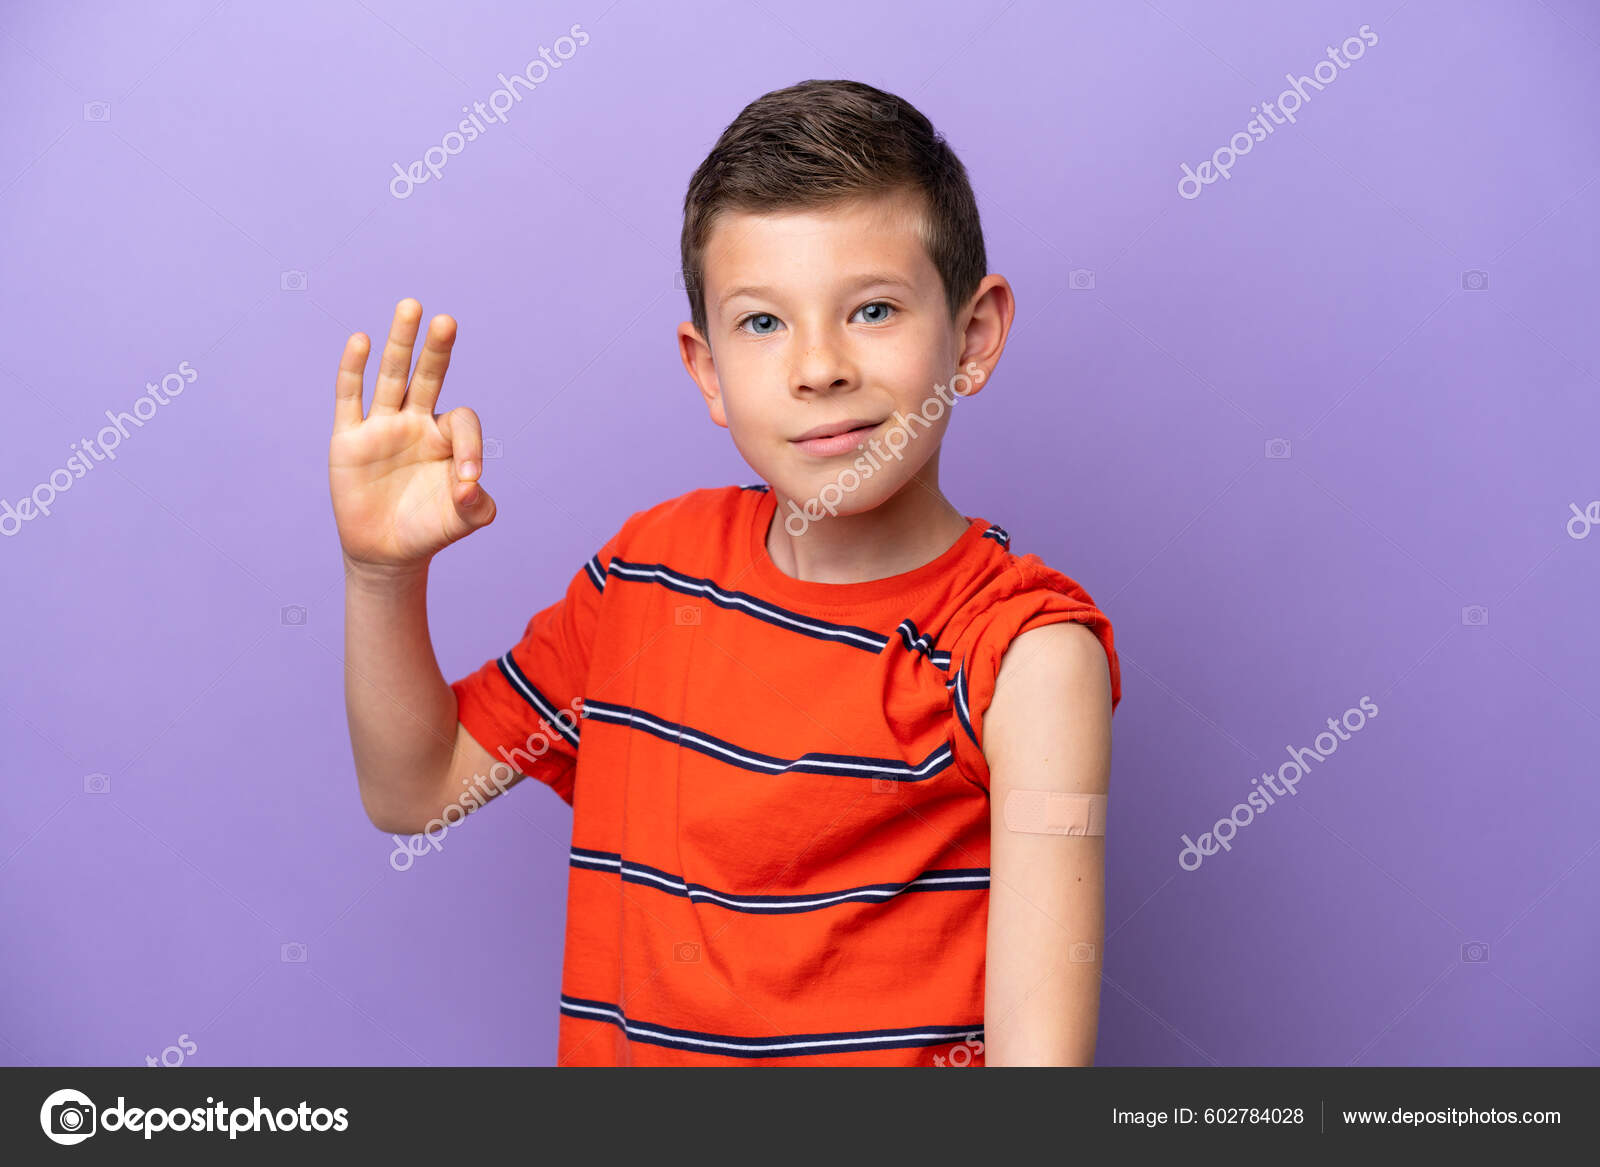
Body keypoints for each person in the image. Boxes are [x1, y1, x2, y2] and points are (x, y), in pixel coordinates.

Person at [329, 79, 1121, 1066]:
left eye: (872, 309)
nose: (817, 367)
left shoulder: (1025, 654)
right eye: (761, 323)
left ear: (972, 336)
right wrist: (379, 575)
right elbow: (414, 792)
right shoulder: (648, 577)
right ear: (706, 371)